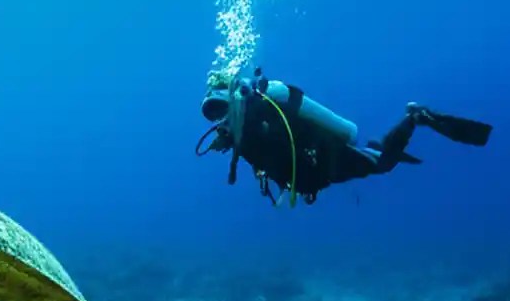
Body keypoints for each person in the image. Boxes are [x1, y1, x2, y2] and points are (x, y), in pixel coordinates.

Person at [196, 67, 492, 206]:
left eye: (221, 108)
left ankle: (414, 117)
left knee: (384, 164)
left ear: (234, 100)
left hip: (329, 159)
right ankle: (387, 139)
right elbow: (276, 158)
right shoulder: (239, 135)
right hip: (318, 173)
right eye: (211, 114)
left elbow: (281, 142)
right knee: (374, 154)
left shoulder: (259, 112)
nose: (219, 118)